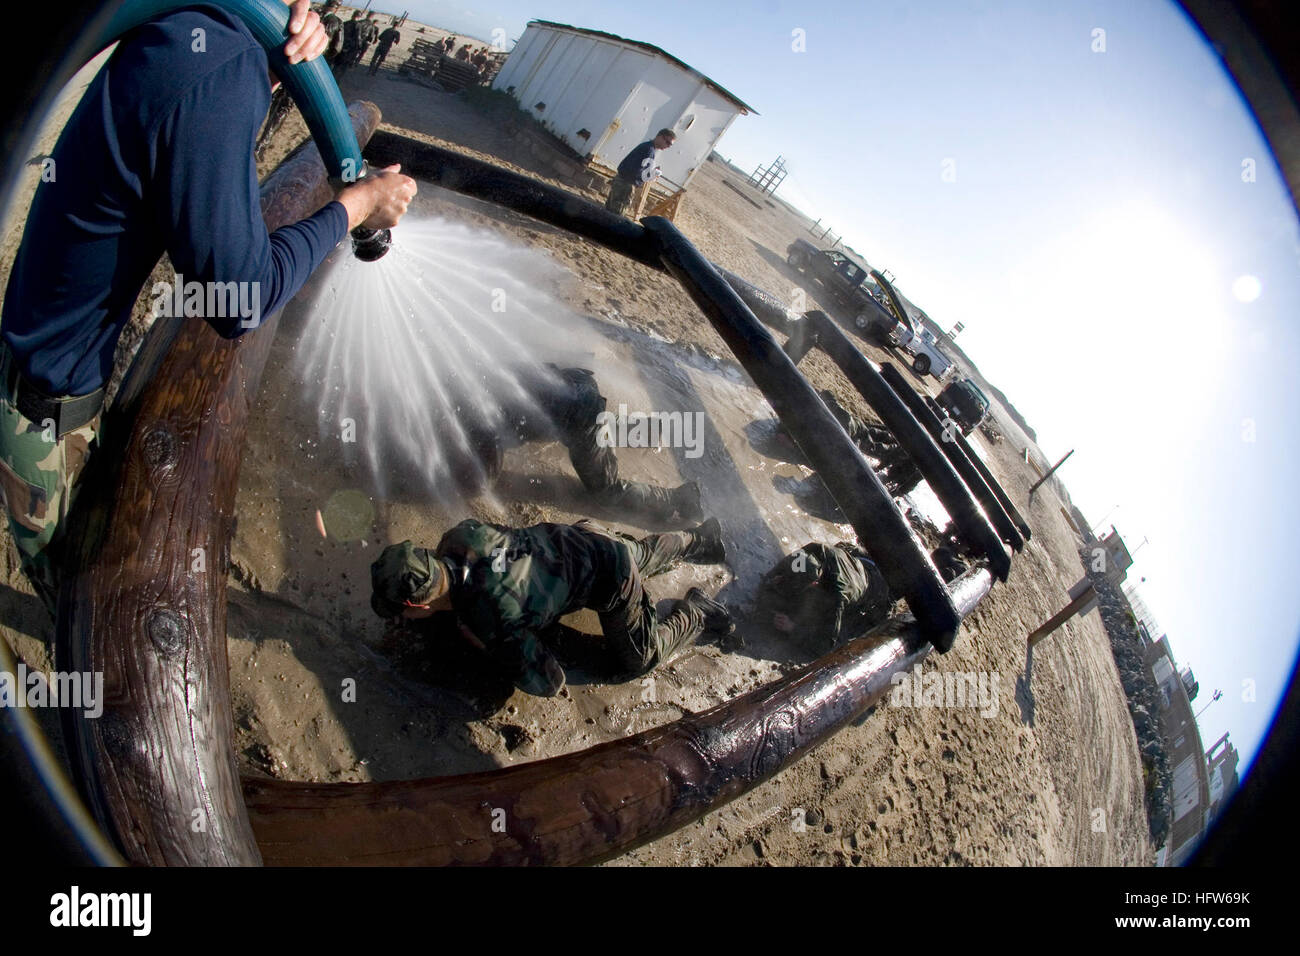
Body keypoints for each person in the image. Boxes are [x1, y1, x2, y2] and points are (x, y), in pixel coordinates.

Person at [0, 1, 417, 613]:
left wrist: (268, 68)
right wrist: (356, 208)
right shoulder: (219, 67)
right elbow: (240, 299)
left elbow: (193, 177)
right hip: (42, 414)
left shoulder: (196, 30)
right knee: (85, 606)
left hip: (57, 370)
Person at [370, 517, 732, 697]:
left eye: (400, 610)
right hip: (581, 535)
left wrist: (484, 643)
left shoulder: (490, 618)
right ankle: (699, 537)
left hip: (611, 579)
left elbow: (549, 681)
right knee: (640, 553)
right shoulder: (457, 537)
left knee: (641, 657)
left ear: (417, 602)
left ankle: (698, 612)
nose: (401, 618)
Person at [465, 364, 703, 523]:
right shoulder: (476, 370)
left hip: (578, 412)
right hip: (576, 381)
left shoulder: (477, 416)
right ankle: (651, 429)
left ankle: (680, 499)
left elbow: (482, 481)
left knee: (607, 492)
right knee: (575, 423)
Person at [754, 541, 967, 650]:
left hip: (879, 592)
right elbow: (789, 564)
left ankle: (950, 574)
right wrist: (776, 577)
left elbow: (826, 644)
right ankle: (941, 559)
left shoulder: (838, 596)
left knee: (913, 587)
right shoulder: (815, 550)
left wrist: (794, 628)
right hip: (866, 562)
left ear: (816, 583)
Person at [606, 129, 676, 217]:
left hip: (622, 181)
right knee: (616, 215)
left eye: (670, 145)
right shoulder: (649, 150)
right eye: (667, 142)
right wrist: (652, 175)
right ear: (660, 137)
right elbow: (636, 171)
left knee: (609, 211)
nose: (668, 146)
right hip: (626, 185)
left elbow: (637, 167)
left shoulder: (647, 147)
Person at [335, 9, 363, 75]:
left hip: (341, 45)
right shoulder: (358, 25)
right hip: (350, 48)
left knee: (336, 64)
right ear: (359, 17)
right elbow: (358, 37)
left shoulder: (345, 23)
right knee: (343, 67)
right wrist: (359, 47)